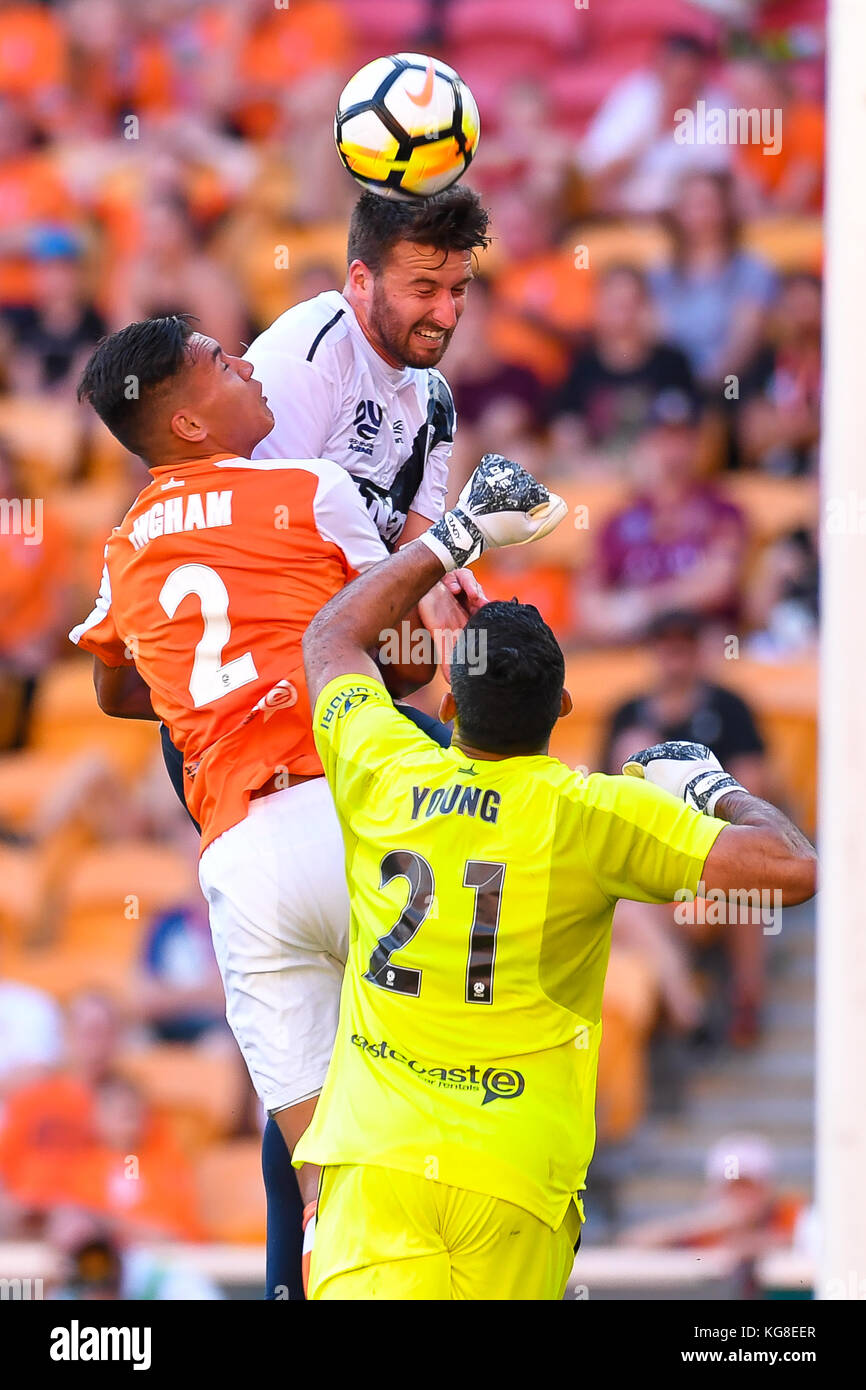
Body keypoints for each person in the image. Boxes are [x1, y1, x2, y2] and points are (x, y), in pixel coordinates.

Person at [294, 455, 816, 1300]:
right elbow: (793, 869)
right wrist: (715, 788)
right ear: (564, 708)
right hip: (516, 1172)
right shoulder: (593, 814)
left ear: (452, 699)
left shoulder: (381, 769)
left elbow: (329, 637)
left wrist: (452, 537)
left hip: (376, 1160)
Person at [68, 314, 475, 1297]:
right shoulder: (311, 485)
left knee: (320, 1173)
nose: (246, 363)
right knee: (444, 1099)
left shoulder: (124, 547)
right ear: (192, 424)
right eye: (218, 361)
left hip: (243, 860)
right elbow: (396, 654)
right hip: (356, 816)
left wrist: (197, 695)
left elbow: (113, 688)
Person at [581, 391, 746, 643]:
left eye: (682, 438)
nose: (674, 451)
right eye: (664, 438)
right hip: (634, 641)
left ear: (697, 443)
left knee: (716, 639)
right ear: (647, 443)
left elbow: (718, 584)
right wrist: (621, 617)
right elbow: (588, 601)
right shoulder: (619, 520)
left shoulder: (721, 510)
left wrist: (643, 605)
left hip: (698, 639)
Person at [547, 264, 696, 476]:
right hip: (592, 470)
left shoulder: (672, 363)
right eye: (614, 305)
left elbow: (682, 430)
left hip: (651, 472)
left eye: (630, 304)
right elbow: (566, 428)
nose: (622, 315)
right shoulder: (580, 364)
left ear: (647, 307)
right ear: (597, 308)